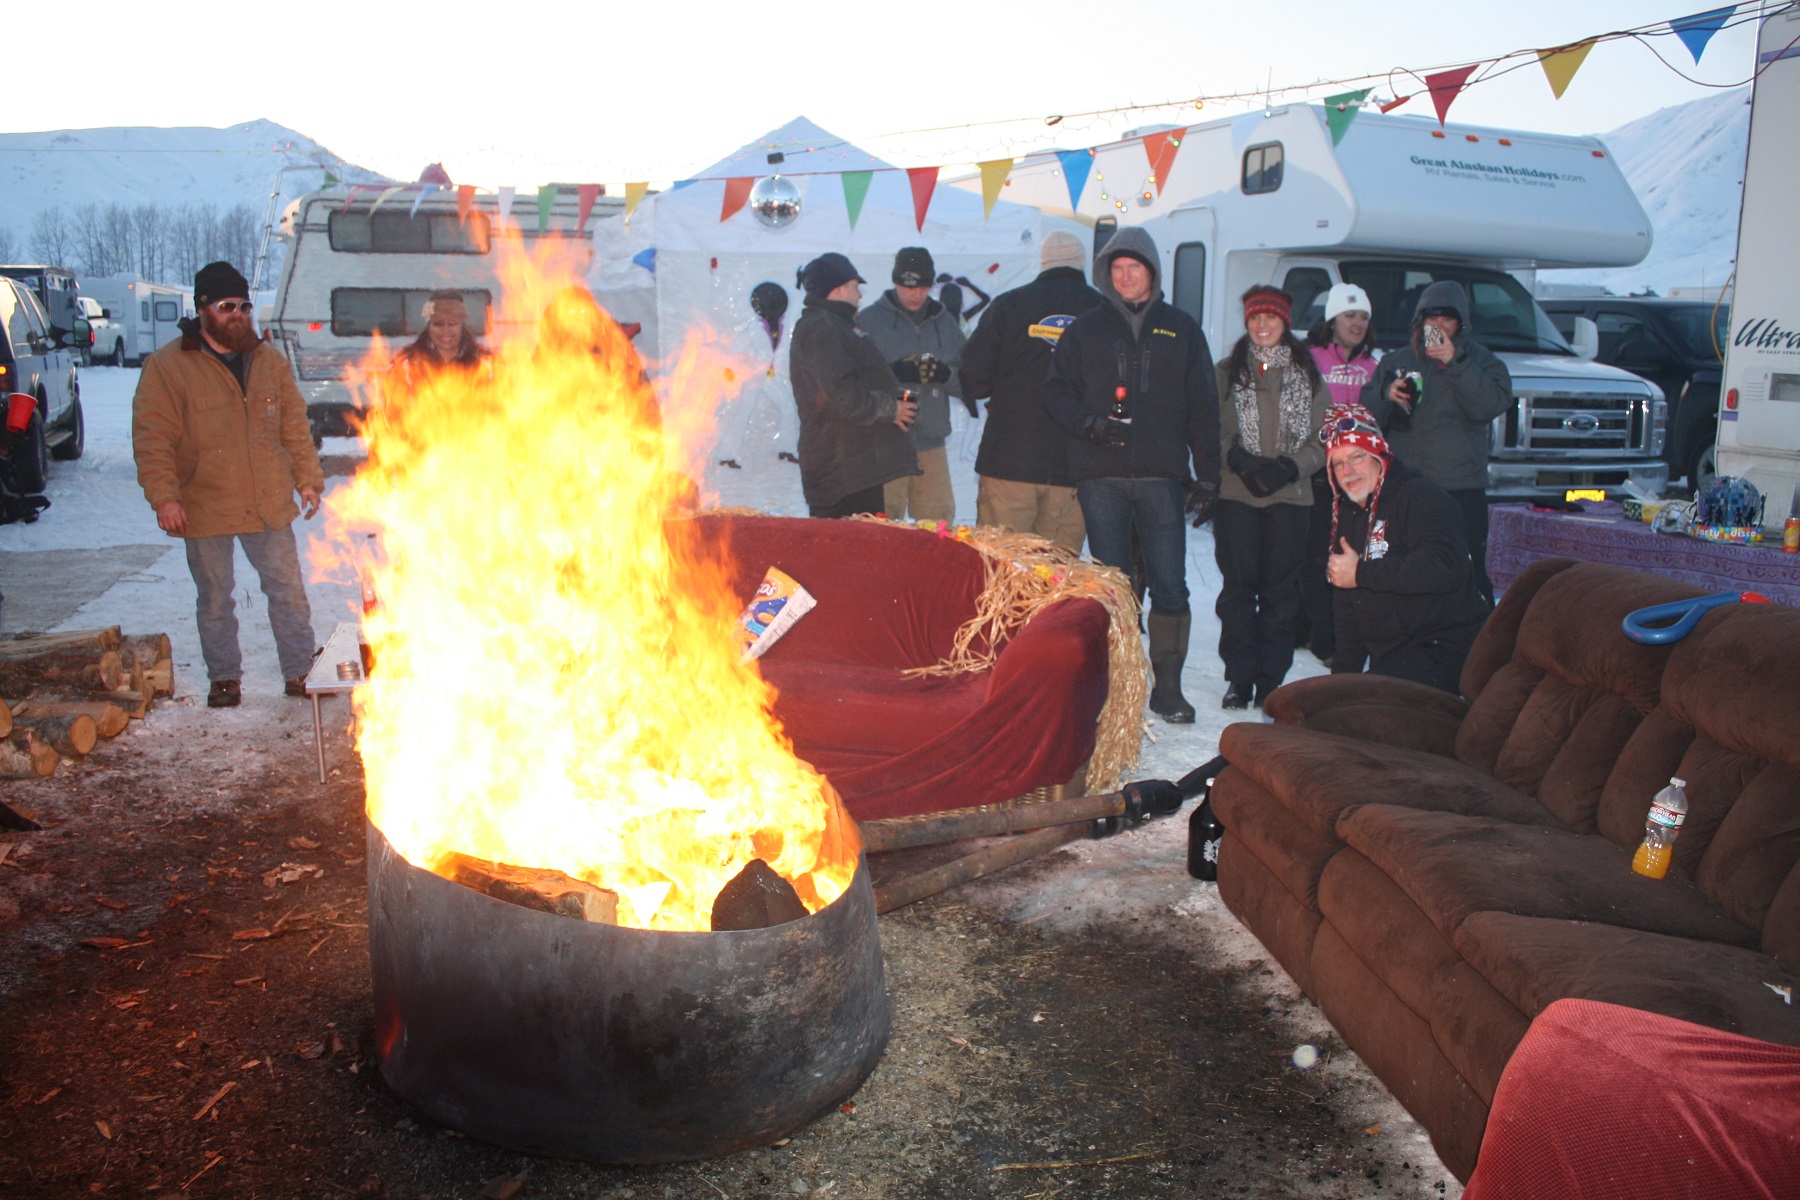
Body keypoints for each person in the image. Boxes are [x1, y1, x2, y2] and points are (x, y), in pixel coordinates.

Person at [1044, 227, 1220, 724]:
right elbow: (1055, 393)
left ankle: (1168, 687)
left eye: (1133, 268)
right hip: (1100, 478)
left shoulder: (1181, 329)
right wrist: (1092, 425)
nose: (1124, 277)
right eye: (1116, 269)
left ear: (1151, 272)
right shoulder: (1086, 329)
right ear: (1106, 274)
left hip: (1162, 478)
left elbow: (1204, 407)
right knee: (1112, 585)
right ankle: (1118, 681)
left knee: (1170, 584)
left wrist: (1208, 476)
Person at [131, 261, 324, 709]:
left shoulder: (268, 361)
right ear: (203, 310)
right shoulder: (169, 367)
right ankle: (224, 678)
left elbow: (294, 426)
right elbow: (152, 437)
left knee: (288, 592)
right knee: (216, 598)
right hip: (205, 503)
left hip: (268, 501)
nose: (237, 313)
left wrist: (308, 480)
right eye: (225, 306)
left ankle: (300, 670)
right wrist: (165, 497)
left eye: (243, 305)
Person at [1214, 285, 1330, 710]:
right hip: (1237, 496)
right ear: (1247, 323)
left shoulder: (1308, 376)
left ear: (1285, 323)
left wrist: (1290, 466)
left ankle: (1270, 681)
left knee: (1281, 593)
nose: (1263, 325)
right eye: (1255, 318)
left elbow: (1322, 439)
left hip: (1291, 497)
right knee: (1238, 590)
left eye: (1271, 318)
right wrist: (1238, 460)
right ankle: (1239, 677)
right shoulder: (1226, 371)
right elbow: (1214, 430)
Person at [1361, 280, 1511, 604]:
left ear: (1461, 323)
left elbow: (1489, 405)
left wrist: (1456, 362)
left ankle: (1474, 643)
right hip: (1406, 486)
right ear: (1420, 319)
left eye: (1447, 318)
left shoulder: (1483, 361)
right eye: (1432, 318)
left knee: (1465, 567)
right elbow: (1368, 414)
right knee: (1400, 564)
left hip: (1460, 487)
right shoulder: (1397, 359)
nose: (1438, 325)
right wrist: (1387, 395)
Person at [1322, 403, 1489, 693]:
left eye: (1357, 457)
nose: (1348, 470)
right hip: (1395, 659)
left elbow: (1445, 566)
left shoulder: (1421, 497)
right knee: (1328, 708)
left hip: (1448, 650)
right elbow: (1349, 611)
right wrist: (1338, 683)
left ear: (1379, 456)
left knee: (1369, 706)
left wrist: (1361, 573)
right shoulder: (1347, 516)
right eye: (1338, 464)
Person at [963, 230, 1102, 554]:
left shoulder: (1010, 305)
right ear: (1082, 265)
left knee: (1001, 570)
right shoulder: (1104, 312)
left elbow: (972, 379)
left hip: (1010, 463)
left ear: (1044, 262)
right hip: (1076, 469)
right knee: (1057, 580)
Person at [788, 253, 919, 519]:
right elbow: (840, 395)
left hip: (855, 467)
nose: (859, 295)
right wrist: (889, 409)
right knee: (846, 552)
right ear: (837, 289)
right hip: (841, 471)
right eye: (855, 287)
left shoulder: (837, 325)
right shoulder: (822, 328)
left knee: (860, 550)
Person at [1297, 283, 1380, 665]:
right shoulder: (1310, 357)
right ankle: (1319, 635)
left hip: (1356, 476)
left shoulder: (1374, 365)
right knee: (1314, 555)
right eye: (1350, 315)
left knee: (1347, 552)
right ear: (1332, 320)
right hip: (1317, 471)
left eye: (1363, 317)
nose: (1357, 323)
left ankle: (1341, 634)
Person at [857, 248, 965, 523]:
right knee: (880, 524)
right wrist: (891, 374)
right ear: (895, 282)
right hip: (884, 442)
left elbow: (969, 383)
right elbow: (851, 383)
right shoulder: (869, 321)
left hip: (931, 444)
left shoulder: (946, 323)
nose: (916, 294)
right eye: (908, 286)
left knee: (938, 525)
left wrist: (944, 375)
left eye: (923, 287)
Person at [383, 290, 492, 400]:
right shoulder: (404, 364)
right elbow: (390, 409)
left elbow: (503, 405)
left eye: (452, 324)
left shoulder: (488, 363)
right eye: (438, 324)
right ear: (429, 325)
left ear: (461, 325)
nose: (445, 331)